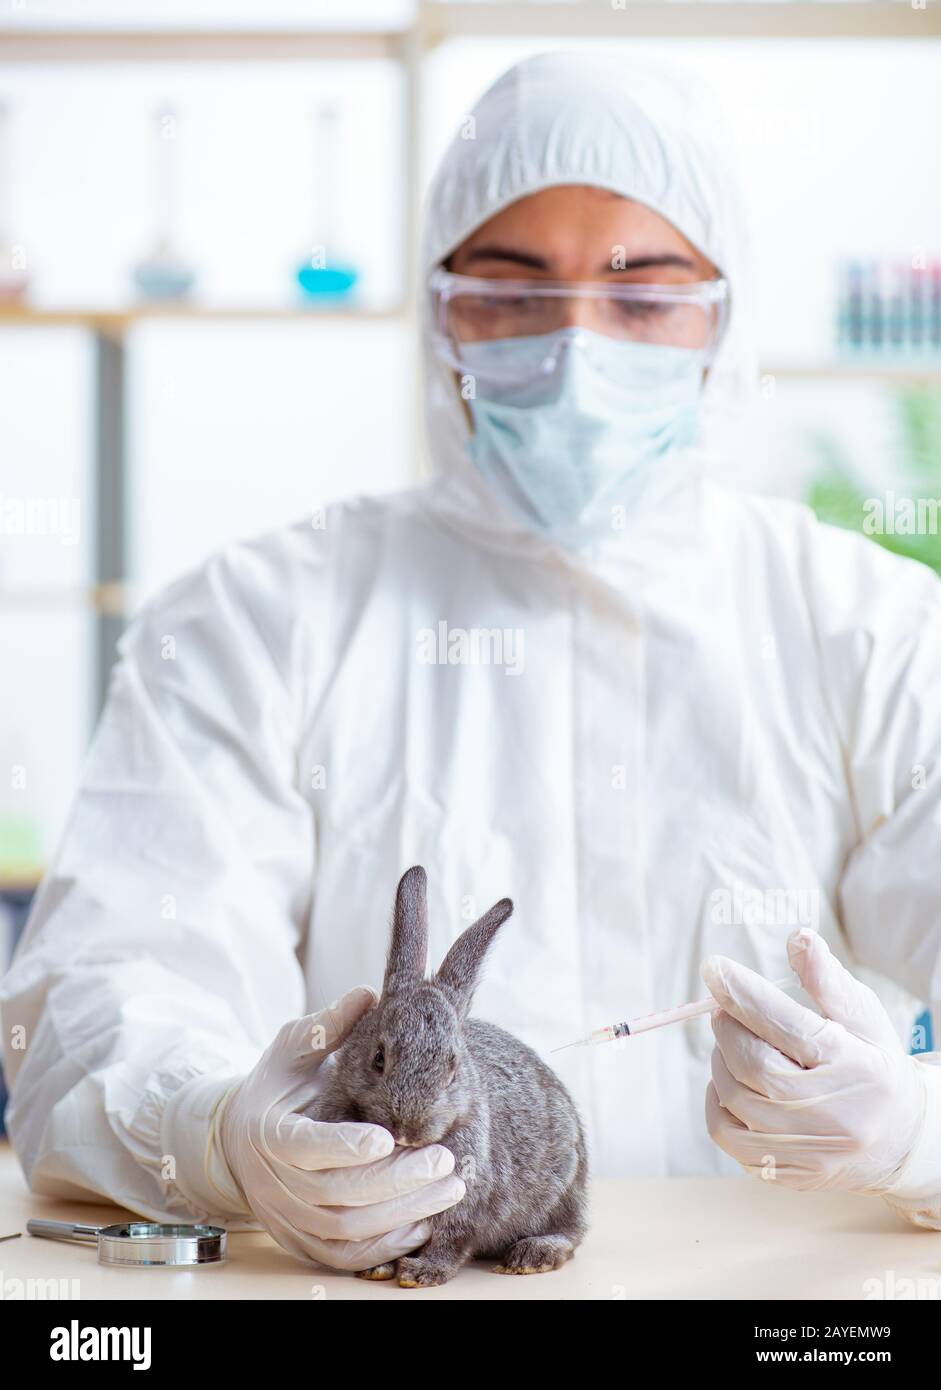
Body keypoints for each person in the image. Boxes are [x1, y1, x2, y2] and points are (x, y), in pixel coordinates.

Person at [3, 52, 941, 1276]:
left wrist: (913, 1126)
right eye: (509, 291)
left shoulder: (866, 623)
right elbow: (106, 995)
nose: (574, 349)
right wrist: (224, 1131)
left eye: (643, 294)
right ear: (438, 309)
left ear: (727, 313)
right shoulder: (257, 618)